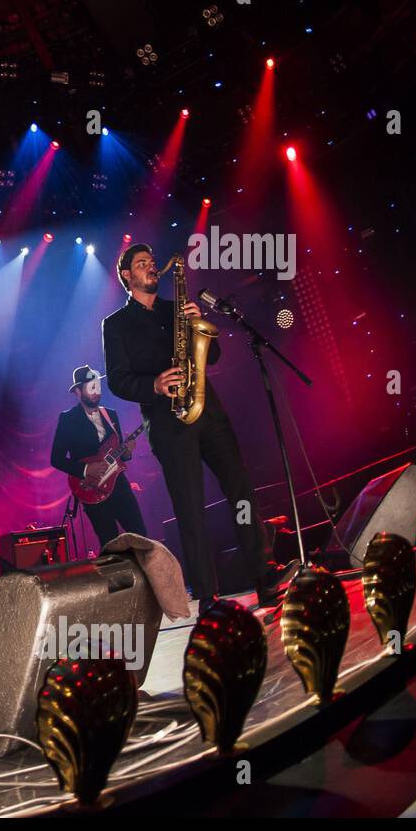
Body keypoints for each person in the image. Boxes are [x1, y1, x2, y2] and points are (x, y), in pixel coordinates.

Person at [102, 243, 288, 616]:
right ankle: (208, 595)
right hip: (169, 424)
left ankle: (263, 576)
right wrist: (154, 385)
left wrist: (198, 321)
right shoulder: (115, 324)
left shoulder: (177, 309)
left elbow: (212, 355)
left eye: (153, 263)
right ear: (127, 277)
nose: (152, 268)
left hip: (209, 414)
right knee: (190, 510)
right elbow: (119, 381)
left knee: (241, 492)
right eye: (142, 264)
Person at [50, 365, 147, 548]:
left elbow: (118, 455)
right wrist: (86, 469)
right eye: (90, 387)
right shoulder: (68, 419)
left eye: (96, 385)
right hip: (93, 490)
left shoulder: (110, 414)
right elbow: (56, 458)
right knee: (111, 546)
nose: (96, 391)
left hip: (119, 487)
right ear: (78, 392)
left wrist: (126, 453)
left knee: (141, 536)